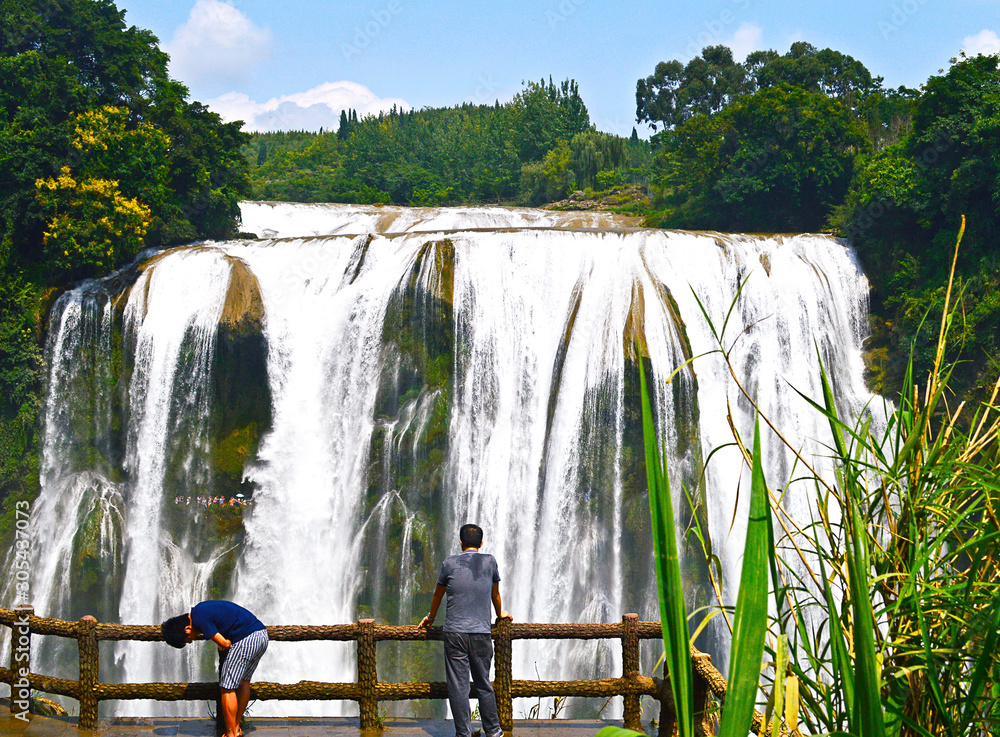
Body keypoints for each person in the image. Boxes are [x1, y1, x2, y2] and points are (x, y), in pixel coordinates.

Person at [419, 524, 512, 737]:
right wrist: (500, 614)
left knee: (459, 687)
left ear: (461, 543)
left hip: (455, 634)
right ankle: (494, 731)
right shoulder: (490, 562)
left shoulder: (449, 563)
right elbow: (495, 595)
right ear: (481, 543)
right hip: (481, 633)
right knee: (483, 684)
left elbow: (437, 595)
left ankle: (463, 733)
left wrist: (430, 617)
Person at [162, 601, 268, 737]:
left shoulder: (199, 618)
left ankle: (230, 733)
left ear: (187, 629)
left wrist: (227, 642)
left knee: (227, 688)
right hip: (261, 635)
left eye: (188, 640)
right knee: (243, 682)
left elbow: (224, 642)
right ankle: (235, 728)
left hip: (246, 639)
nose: (192, 640)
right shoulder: (201, 609)